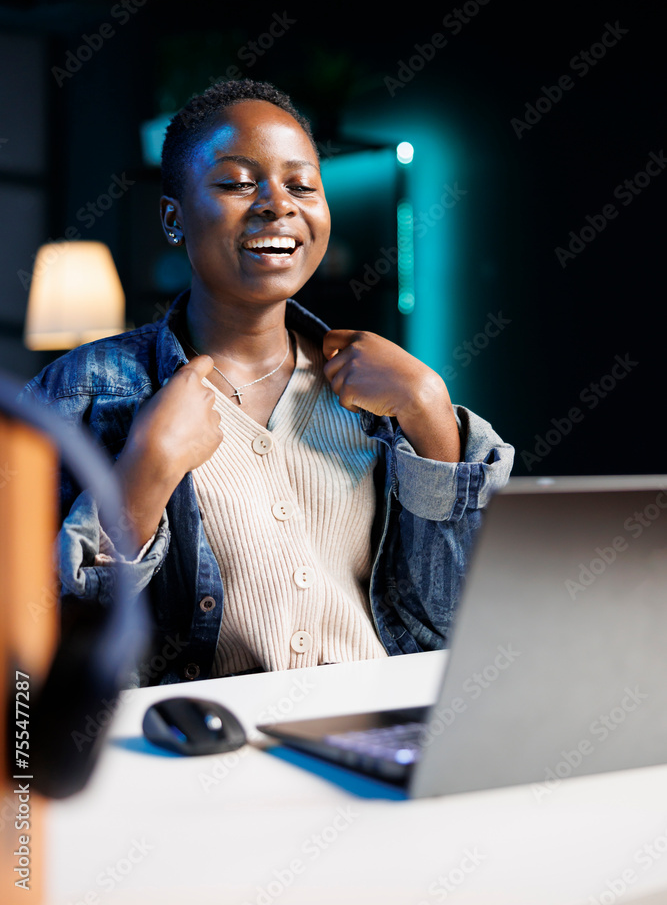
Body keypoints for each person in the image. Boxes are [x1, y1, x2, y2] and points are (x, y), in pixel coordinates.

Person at [22, 79, 514, 686]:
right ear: (173, 218)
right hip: (193, 752)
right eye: (236, 182)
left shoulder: (385, 395)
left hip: (377, 737)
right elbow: (36, 647)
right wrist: (145, 470)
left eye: (302, 185)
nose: (278, 204)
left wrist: (430, 411)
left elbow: (454, 621)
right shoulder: (84, 391)